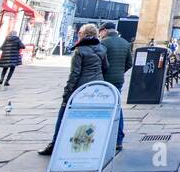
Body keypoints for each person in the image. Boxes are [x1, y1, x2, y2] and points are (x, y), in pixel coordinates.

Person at [39, 24, 108, 156]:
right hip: (98, 87)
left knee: (64, 113)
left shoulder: (80, 50)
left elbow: (75, 74)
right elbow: (106, 67)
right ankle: (90, 143)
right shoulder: (102, 49)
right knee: (94, 116)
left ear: (84, 34)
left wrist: (67, 92)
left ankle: (55, 143)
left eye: (80, 32)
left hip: (81, 88)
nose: (79, 34)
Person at [99, 21, 133, 152]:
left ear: (105, 30)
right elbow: (129, 63)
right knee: (117, 107)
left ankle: (101, 136)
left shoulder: (103, 43)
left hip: (104, 79)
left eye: (101, 31)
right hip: (118, 79)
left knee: (103, 107)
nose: (100, 34)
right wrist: (119, 72)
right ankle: (118, 138)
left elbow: (99, 62)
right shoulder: (125, 43)